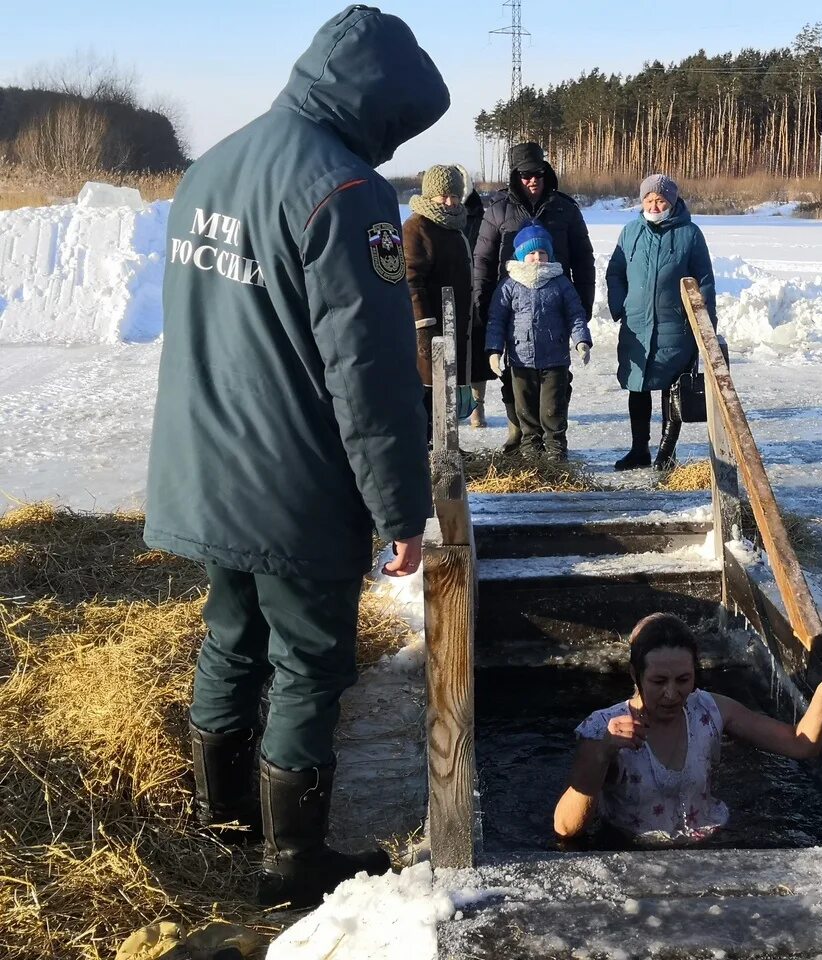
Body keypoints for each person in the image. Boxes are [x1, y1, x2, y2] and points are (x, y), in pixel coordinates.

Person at [143, 6, 448, 910]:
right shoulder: (349, 194)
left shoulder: (212, 166)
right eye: (399, 120)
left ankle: (221, 815)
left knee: (230, 637)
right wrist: (399, 510)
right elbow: (372, 372)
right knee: (312, 661)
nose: (395, 142)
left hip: (204, 460)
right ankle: (292, 860)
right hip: (289, 476)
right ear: (378, 101)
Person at [553, 613, 822, 845]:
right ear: (634, 675)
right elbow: (566, 828)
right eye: (658, 681)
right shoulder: (602, 728)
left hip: (714, 846)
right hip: (634, 854)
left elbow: (799, 744)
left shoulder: (708, 710)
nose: (671, 694)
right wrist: (603, 753)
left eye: (683, 680)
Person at [472, 142, 595, 451]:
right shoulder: (499, 209)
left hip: (553, 304)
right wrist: (482, 305)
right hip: (511, 305)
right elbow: (483, 260)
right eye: (526, 175)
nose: (533, 180)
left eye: (538, 173)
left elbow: (583, 259)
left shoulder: (564, 208)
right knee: (515, 380)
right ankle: (520, 437)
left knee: (556, 380)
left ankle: (553, 442)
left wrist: (583, 306)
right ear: (516, 176)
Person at [607, 174, 716, 471]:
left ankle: (666, 453)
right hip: (637, 326)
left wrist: (706, 327)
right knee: (637, 387)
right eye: (649, 200)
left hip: (675, 326)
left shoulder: (690, 234)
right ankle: (638, 449)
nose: (654, 205)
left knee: (673, 390)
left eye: (661, 200)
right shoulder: (630, 232)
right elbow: (615, 272)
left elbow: (704, 281)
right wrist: (620, 305)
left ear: (672, 201)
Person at [486, 222, 591, 461]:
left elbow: (575, 314)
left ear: (550, 254)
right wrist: (494, 350)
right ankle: (531, 450)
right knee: (526, 409)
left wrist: (581, 340)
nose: (537, 258)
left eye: (542, 252)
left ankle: (555, 449)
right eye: (531, 253)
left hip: (555, 359)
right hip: (520, 359)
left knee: (552, 408)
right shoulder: (509, 285)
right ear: (522, 255)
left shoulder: (560, 283)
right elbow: (497, 320)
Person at [404, 164, 473, 425]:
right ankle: (427, 448)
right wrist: (423, 327)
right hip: (431, 329)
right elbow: (410, 280)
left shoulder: (454, 226)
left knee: (449, 390)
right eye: (442, 196)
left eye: (454, 196)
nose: (449, 201)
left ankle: (446, 443)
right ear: (429, 196)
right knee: (428, 390)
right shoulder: (416, 227)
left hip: (454, 324)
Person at [454, 164, 493, 427]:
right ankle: (452, 410)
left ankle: (477, 409)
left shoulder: (481, 218)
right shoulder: (439, 218)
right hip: (449, 295)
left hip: (477, 295)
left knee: (478, 359)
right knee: (451, 358)